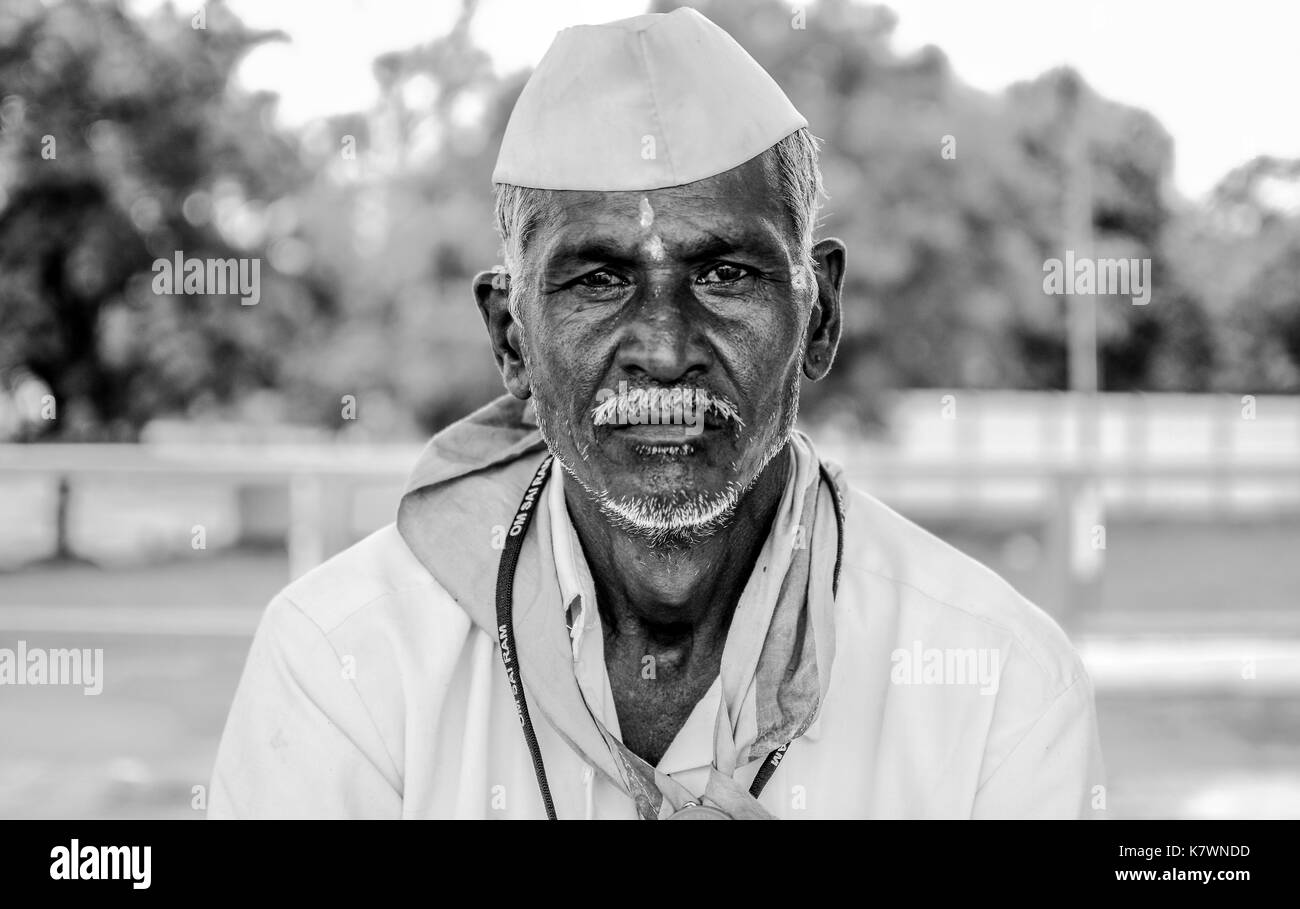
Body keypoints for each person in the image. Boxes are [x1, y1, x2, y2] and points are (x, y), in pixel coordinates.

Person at [210, 6, 1104, 819]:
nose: (666, 347)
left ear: (820, 312)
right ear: (511, 338)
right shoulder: (345, 660)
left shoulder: (999, 684)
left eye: (725, 274)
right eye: (599, 279)